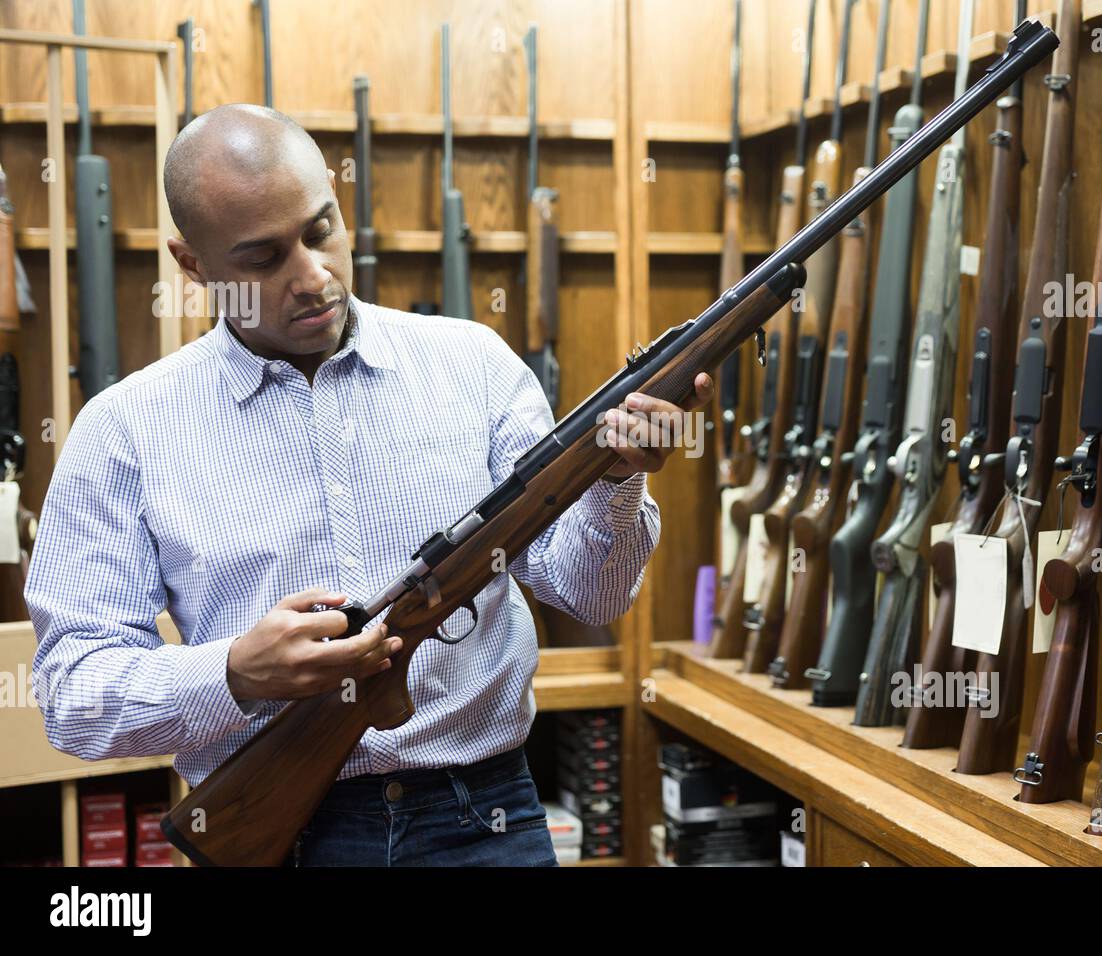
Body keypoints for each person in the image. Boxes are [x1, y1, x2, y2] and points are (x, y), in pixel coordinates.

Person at [25, 104, 712, 867]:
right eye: (262, 258)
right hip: (286, 837)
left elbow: (593, 595)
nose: (313, 277)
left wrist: (614, 480)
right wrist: (233, 674)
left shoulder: (473, 366)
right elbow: (72, 694)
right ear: (193, 266)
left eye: (321, 230)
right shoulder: (124, 428)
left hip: (486, 820)